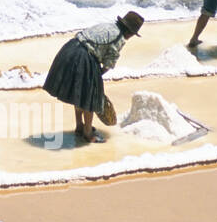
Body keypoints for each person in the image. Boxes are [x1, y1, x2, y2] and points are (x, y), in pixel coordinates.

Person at [43, 11, 144, 143]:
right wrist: (96, 76)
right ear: (130, 33)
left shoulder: (107, 26)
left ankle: (80, 126)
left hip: (70, 49)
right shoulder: (120, 38)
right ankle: (88, 133)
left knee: (79, 92)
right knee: (89, 97)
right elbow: (109, 63)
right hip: (84, 56)